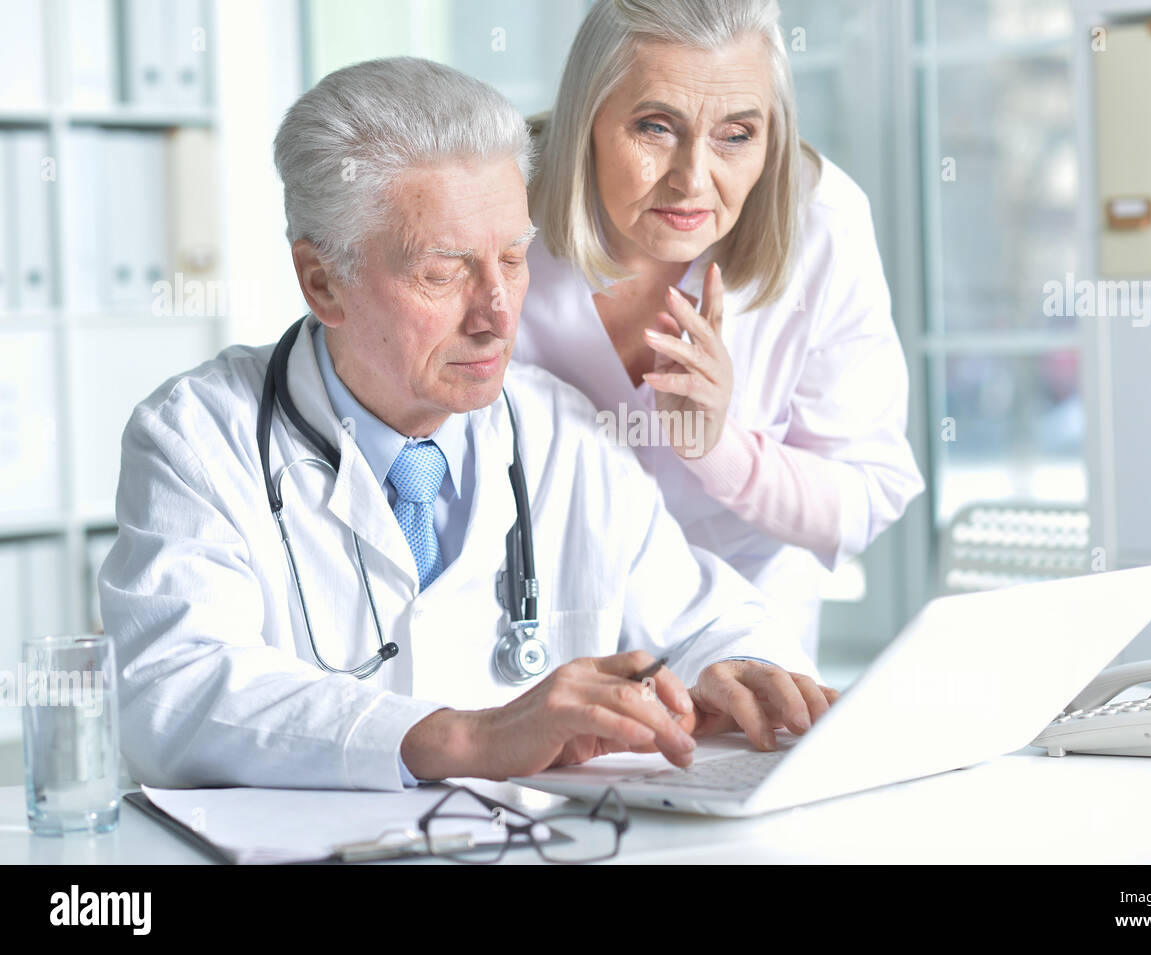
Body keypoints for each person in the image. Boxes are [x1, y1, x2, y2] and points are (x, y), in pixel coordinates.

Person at [98, 57, 836, 792]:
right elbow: (174, 687)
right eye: (444, 273)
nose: (498, 313)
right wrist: (470, 735)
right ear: (323, 281)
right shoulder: (197, 438)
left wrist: (745, 669)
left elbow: (706, 616)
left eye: (513, 259)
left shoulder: (562, 434)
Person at [515, 0, 925, 660]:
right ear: (584, 118)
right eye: (654, 127)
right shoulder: (502, 208)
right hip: (536, 634)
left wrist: (717, 445)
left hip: (742, 642)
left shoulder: (822, 227)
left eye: (736, 135)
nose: (693, 181)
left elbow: (867, 494)